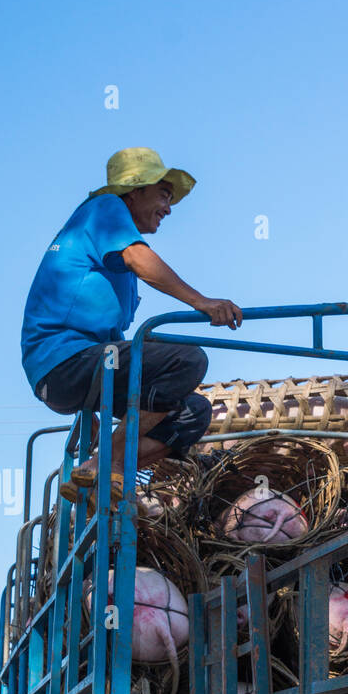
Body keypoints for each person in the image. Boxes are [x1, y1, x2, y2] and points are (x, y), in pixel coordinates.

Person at [21, 147, 243, 508]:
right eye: (164, 195)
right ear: (134, 191)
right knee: (187, 361)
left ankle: (94, 476)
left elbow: (105, 343)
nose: (168, 208)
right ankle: (106, 464)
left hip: (75, 372)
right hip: (63, 365)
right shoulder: (106, 209)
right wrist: (202, 302)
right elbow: (139, 258)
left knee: (193, 412)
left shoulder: (108, 259)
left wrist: (89, 412)